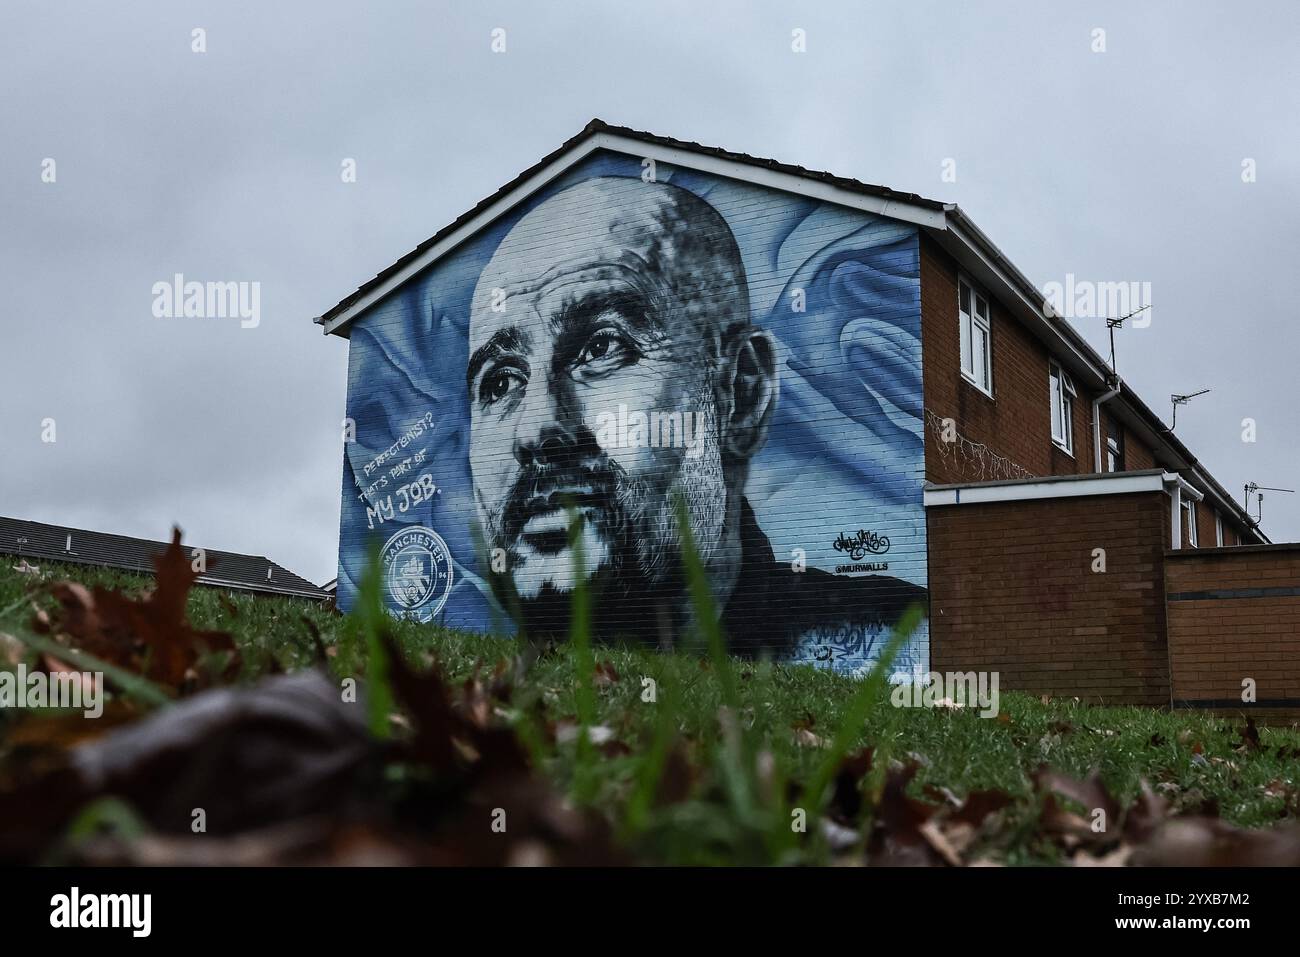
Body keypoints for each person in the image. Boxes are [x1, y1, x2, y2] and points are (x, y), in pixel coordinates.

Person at [465, 176, 925, 658]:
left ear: (742, 395)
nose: (537, 428)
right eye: (501, 382)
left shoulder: (899, 638)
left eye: (603, 347)